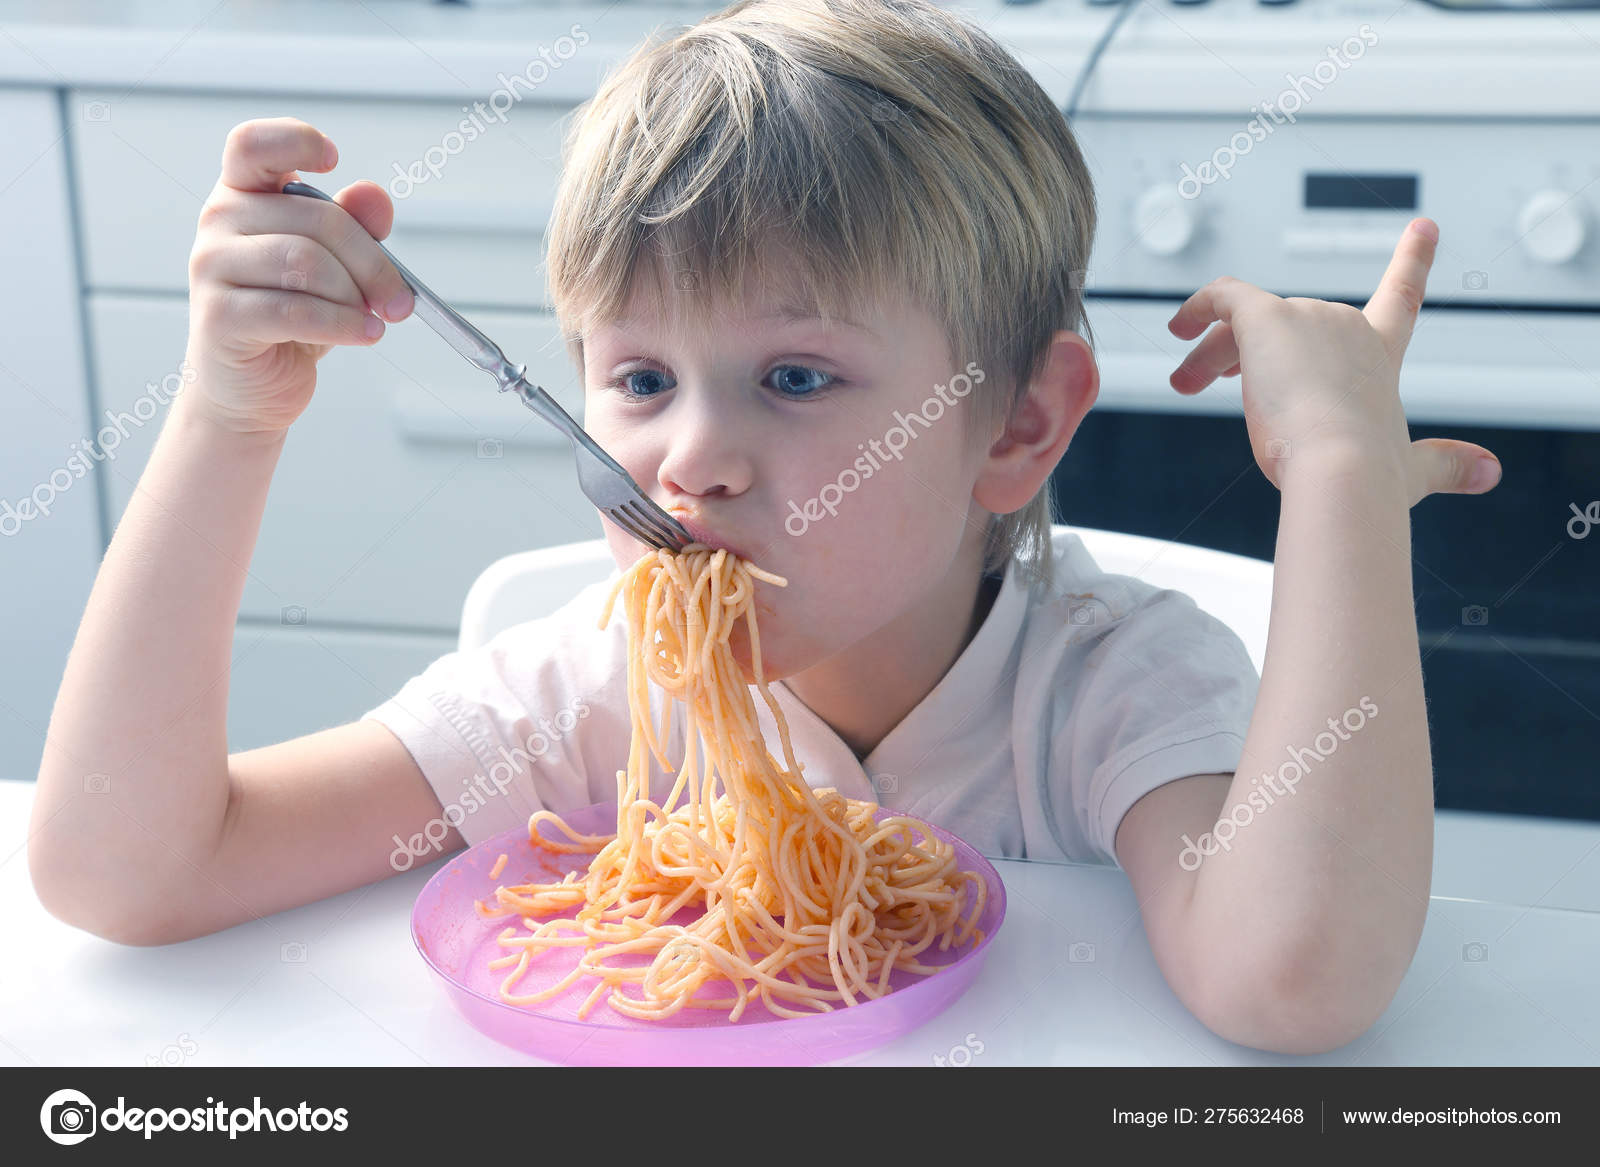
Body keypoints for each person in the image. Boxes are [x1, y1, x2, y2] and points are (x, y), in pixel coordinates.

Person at [28, 0, 1500, 1055]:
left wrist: (1341, 488)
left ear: (1017, 426)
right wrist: (229, 424)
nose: (691, 463)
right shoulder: (586, 693)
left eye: (794, 378)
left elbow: (1296, 989)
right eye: (642, 379)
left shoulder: (1106, 690)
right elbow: (129, 874)